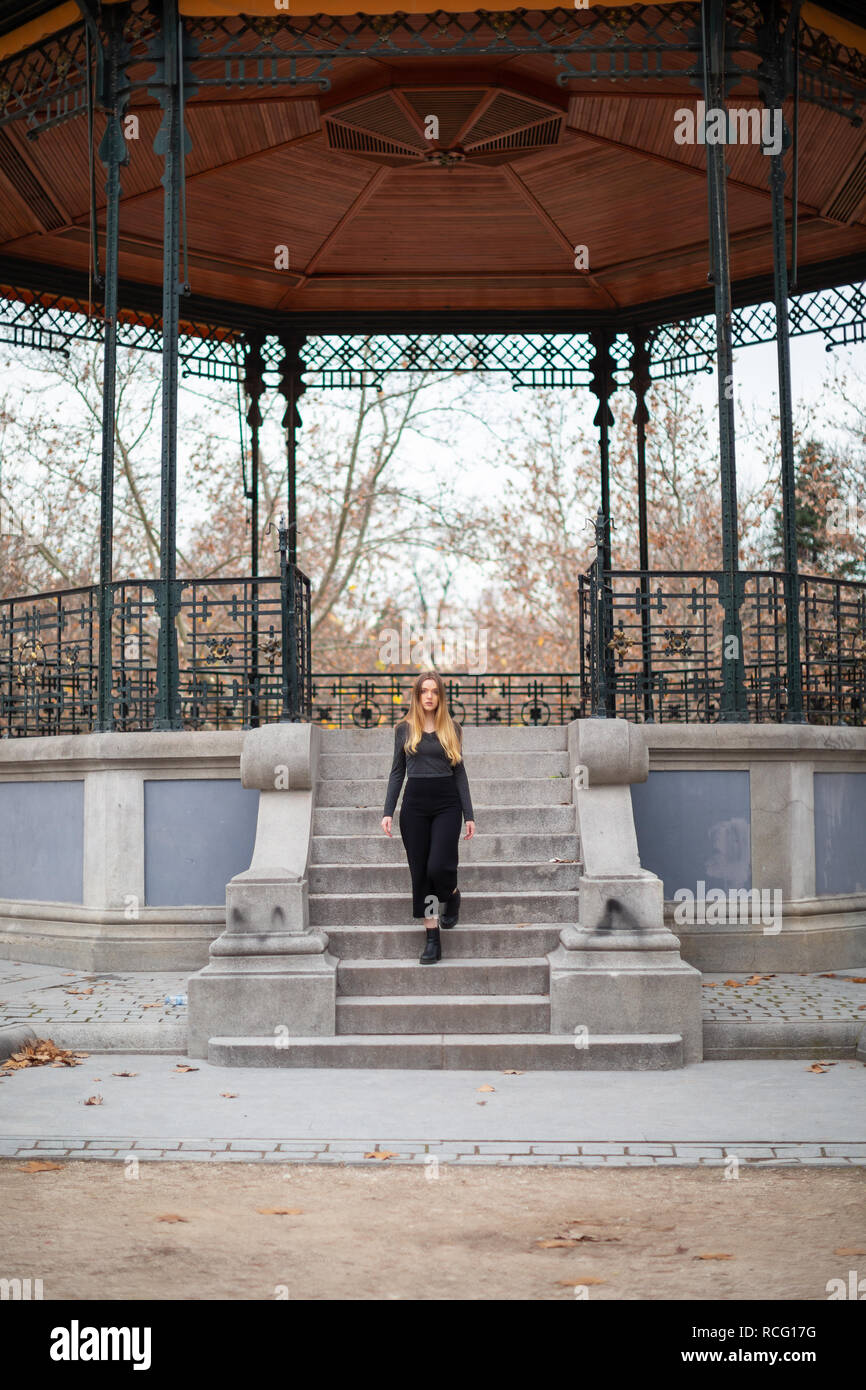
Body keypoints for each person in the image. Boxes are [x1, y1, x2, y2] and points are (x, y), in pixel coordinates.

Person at [381, 670, 476, 964]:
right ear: (417, 695)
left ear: (441, 696)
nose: (429, 696)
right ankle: (432, 938)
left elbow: (459, 772)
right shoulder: (404, 729)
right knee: (421, 873)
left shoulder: (453, 729)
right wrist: (388, 811)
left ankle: (453, 893)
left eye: (434, 691)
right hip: (415, 806)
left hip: (447, 804)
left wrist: (469, 814)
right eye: (425, 691)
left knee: (439, 867)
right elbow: (398, 772)